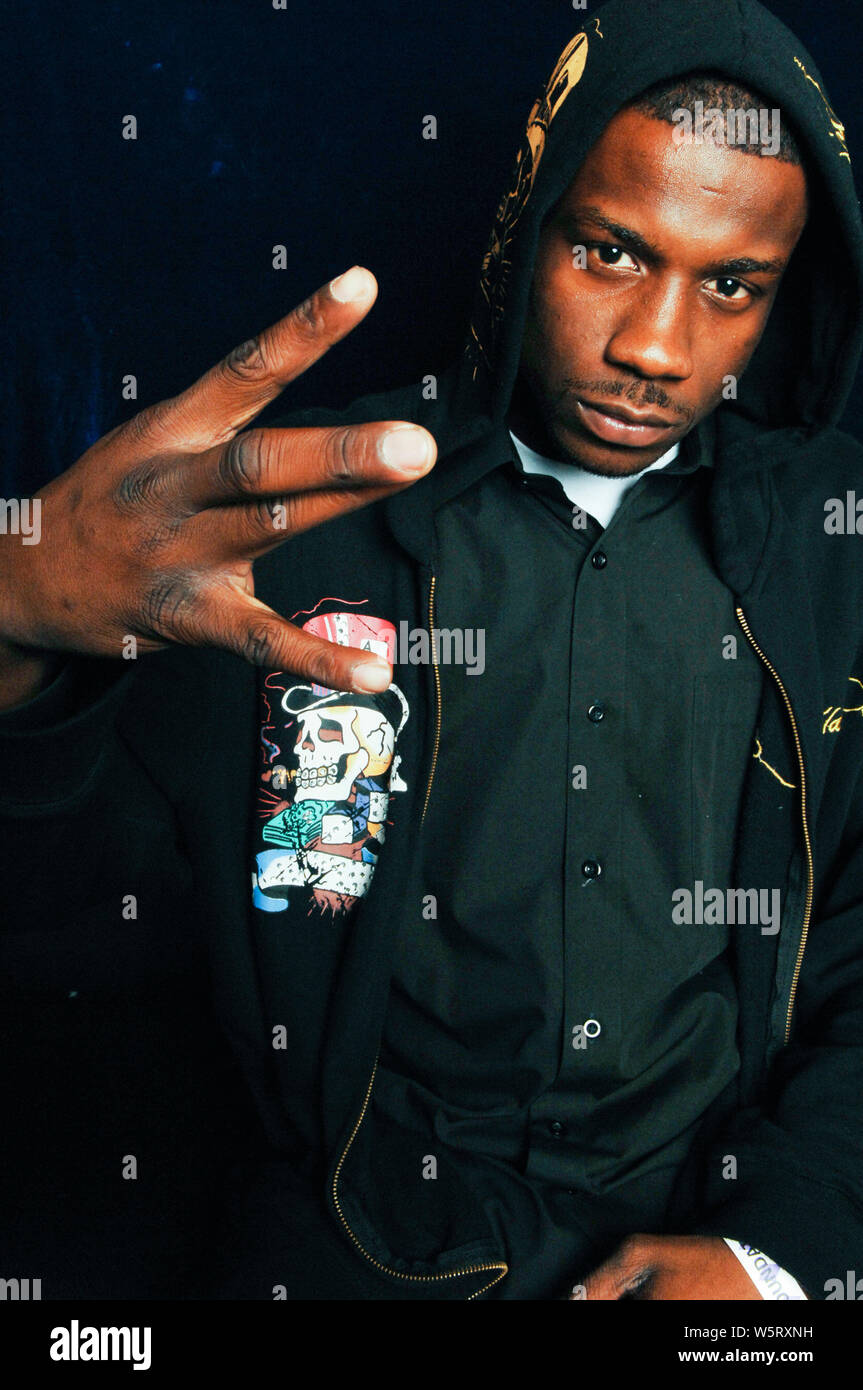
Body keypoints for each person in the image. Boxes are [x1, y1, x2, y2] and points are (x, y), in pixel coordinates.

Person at [1, 0, 862, 1301]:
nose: (656, 348)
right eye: (613, 252)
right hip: (351, 1240)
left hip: (715, 1235)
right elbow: (72, 934)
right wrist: (14, 624)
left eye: (731, 285)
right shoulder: (302, 516)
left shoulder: (831, 546)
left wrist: (777, 1258)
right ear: (528, 227)